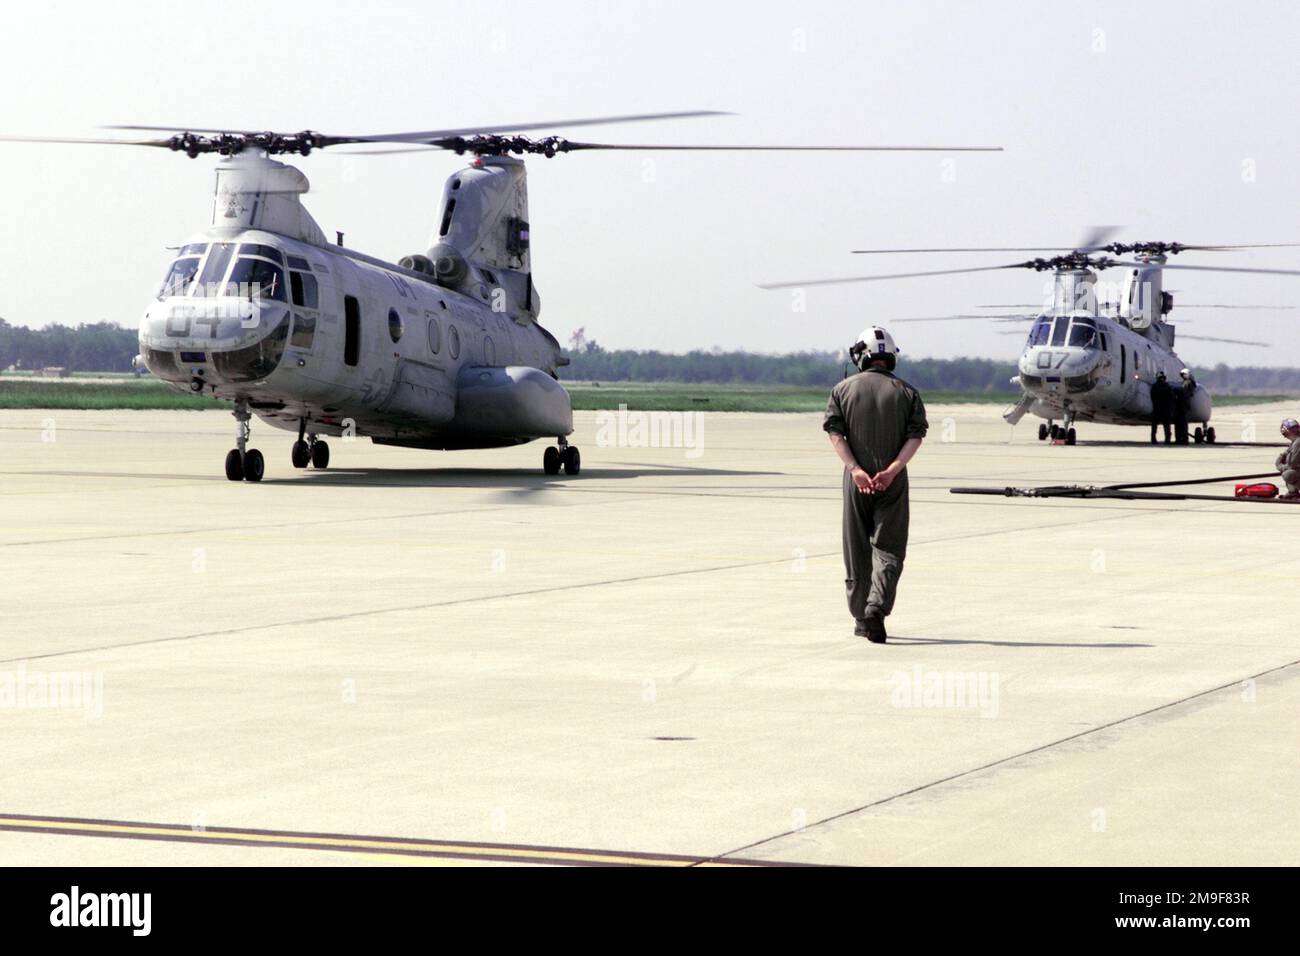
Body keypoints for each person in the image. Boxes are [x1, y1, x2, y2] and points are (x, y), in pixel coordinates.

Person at [823, 326, 928, 643]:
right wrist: (893, 469)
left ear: (861, 355)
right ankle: (875, 611)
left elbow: (835, 434)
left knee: (856, 550)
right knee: (889, 550)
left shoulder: (842, 390)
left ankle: (859, 616)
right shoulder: (908, 392)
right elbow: (916, 436)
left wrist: (855, 469)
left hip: (856, 482)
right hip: (892, 482)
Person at [1276, 418, 1300, 499]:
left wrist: (1280, 466)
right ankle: (1292, 491)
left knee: (1288, 474)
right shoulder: (1295, 442)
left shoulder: (1298, 443)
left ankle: (1293, 491)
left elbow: (1292, 464)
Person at [1149, 371, 1173, 444]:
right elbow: (1171, 397)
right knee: (1166, 426)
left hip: (1156, 408)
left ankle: (1153, 439)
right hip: (1165, 409)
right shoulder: (1167, 386)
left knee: (1154, 426)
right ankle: (1167, 440)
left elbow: (1152, 396)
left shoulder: (1154, 386)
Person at [1172, 369, 1193, 444]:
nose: (1182, 376)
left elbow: (1184, 392)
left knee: (1182, 423)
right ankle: (1180, 439)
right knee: (1179, 423)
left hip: (1182, 405)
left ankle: (1183, 439)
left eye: (1183, 374)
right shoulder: (1186, 382)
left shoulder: (1188, 383)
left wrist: (1176, 390)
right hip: (1182, 405)